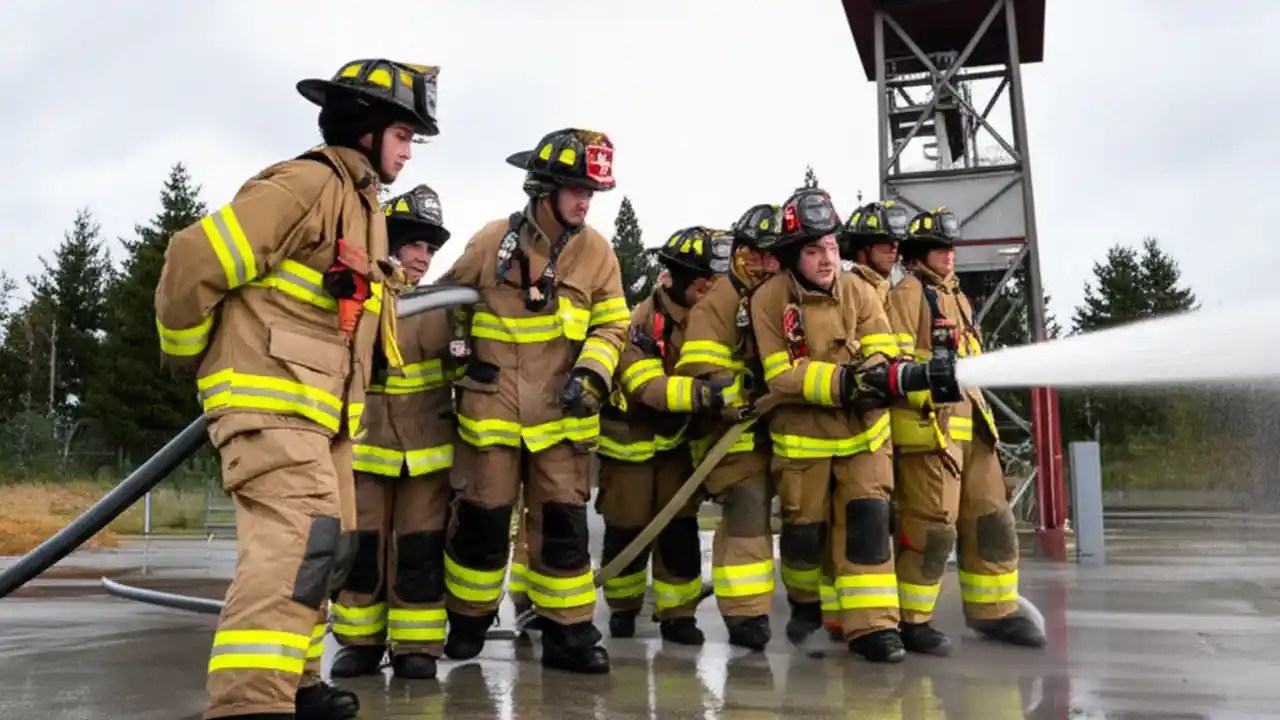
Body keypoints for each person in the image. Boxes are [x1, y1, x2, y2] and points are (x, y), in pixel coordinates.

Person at [153, 58, 440, 720]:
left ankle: (297, 683)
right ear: (366, 129)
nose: (409, 147)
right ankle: (249, 705)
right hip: (275, 406)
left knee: (332, 548)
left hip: (323, 417)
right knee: (292, 550)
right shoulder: (307, 183)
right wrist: (191, 354)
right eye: (403, 132)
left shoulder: (362, 204)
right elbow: (193, 260)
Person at [437, 128, 629, 674]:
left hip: (562, 420)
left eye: (591, 191)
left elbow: (612, 326)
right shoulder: (492, 241)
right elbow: (448, 299)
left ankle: (568, 634)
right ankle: (468, 621)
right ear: (542, 189)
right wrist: (458, 357)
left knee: (563, 531)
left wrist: (593, 375)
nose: (585, 201)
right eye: (575, 189)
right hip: (491, 416)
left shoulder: (598, 254)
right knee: (481, 526)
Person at [750, 187, 957, 663]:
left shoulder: (860, 291)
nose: (825, 259)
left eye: (829, 247)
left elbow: (882, 348)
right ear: (790, 255)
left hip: (865, 437)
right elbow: (781, 375)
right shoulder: (768, 301)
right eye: (811, 249)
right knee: (806, 535)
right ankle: (806, 607)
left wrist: (882, 373)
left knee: (867, 526)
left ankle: (874, 629)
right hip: (802, 443)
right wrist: (846, 382)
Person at [886, 206, 1047, 656]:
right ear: (919, 254)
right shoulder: (905, 295)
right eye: (940, 249)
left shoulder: (958, 297)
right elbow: (894, 369)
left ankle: (995, 611)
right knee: (933, 529)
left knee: (992, 518)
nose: (949, 257)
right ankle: (910, 620)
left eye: (951, 249)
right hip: (931, 433)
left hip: (973, 430)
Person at [328, 184, 455, 681]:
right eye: (414, 246)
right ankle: (359, 642)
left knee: (420, 551)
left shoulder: (441, 306)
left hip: (427, 456)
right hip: (366, 450)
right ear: (390, 243)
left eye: (430, 249)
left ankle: (416, 646)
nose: (423, 258)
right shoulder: (359, 297)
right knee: (361, 550)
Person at [595, 226, 736, 645]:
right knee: (629, 527)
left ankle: (679, 614)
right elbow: (646, 387)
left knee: (679, 528)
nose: (710, 289)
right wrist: (707, 395)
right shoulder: (642, 322)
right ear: (675, 279)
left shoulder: (711, 317)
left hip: (677, 446)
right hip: (629, 444)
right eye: (702, 282)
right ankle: (623, 607)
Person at [672, 203, 782, 651]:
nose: (763, 264)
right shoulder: (719, 301)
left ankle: (815, 607)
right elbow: (701, 369)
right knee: (747, 508)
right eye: (753, 254)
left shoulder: (784, 293)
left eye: (773, 255)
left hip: (790, 431)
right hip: (733, 435)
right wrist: (739, 391)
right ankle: (745, 614)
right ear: (737, 252)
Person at [820, 198, 909, 639]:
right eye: (881, 242)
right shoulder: (856, 289)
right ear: (860, 248)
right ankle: (853, 621)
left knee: (876, 522)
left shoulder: (897, 291)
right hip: (855, 427)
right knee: (856, 522)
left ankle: (858, 619)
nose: (892, 248)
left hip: (893, 426)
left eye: (895, 241)